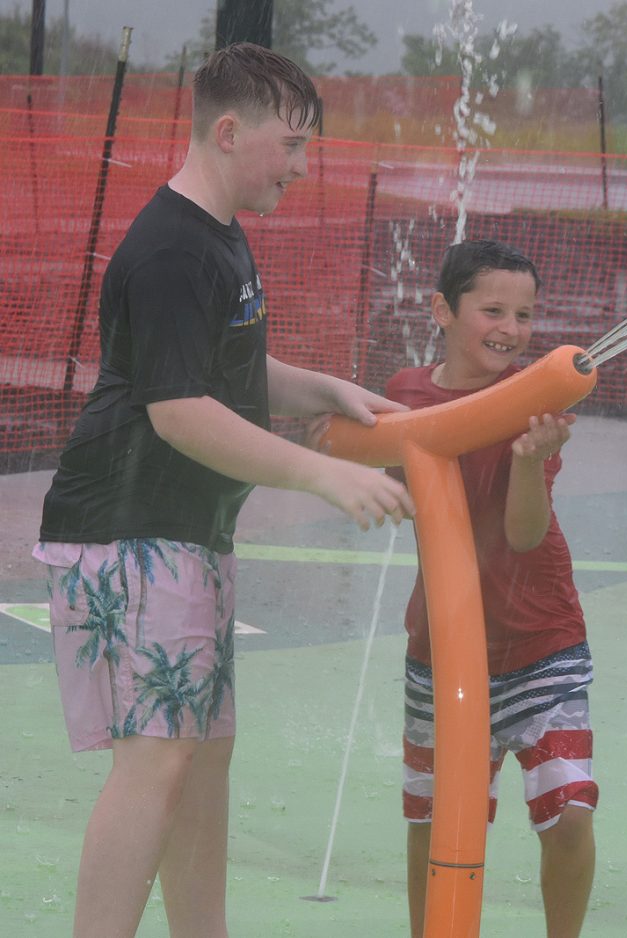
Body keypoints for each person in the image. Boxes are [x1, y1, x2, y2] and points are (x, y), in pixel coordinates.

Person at [33, 43, 415, 938]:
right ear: (229, 130)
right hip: (130, 530)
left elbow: (226, 368)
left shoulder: (216, 234)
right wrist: (321, 471)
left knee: (202, 761)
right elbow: (180, 412)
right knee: (157, 764)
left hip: (184, 533)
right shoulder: (170, 249)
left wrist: (324, 390)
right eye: (290, 146)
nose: (300, 166)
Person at [387, 240, 597, 938]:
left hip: (541, 638)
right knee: (438, 821)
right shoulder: (405, 395)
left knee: (568, 815)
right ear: (444, 310)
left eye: (527, 315)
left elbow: (525, 534)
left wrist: (531, 460)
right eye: (494, 310)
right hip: (443, 645)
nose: (511, 329)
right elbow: (394, 491)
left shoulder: (534, 398)